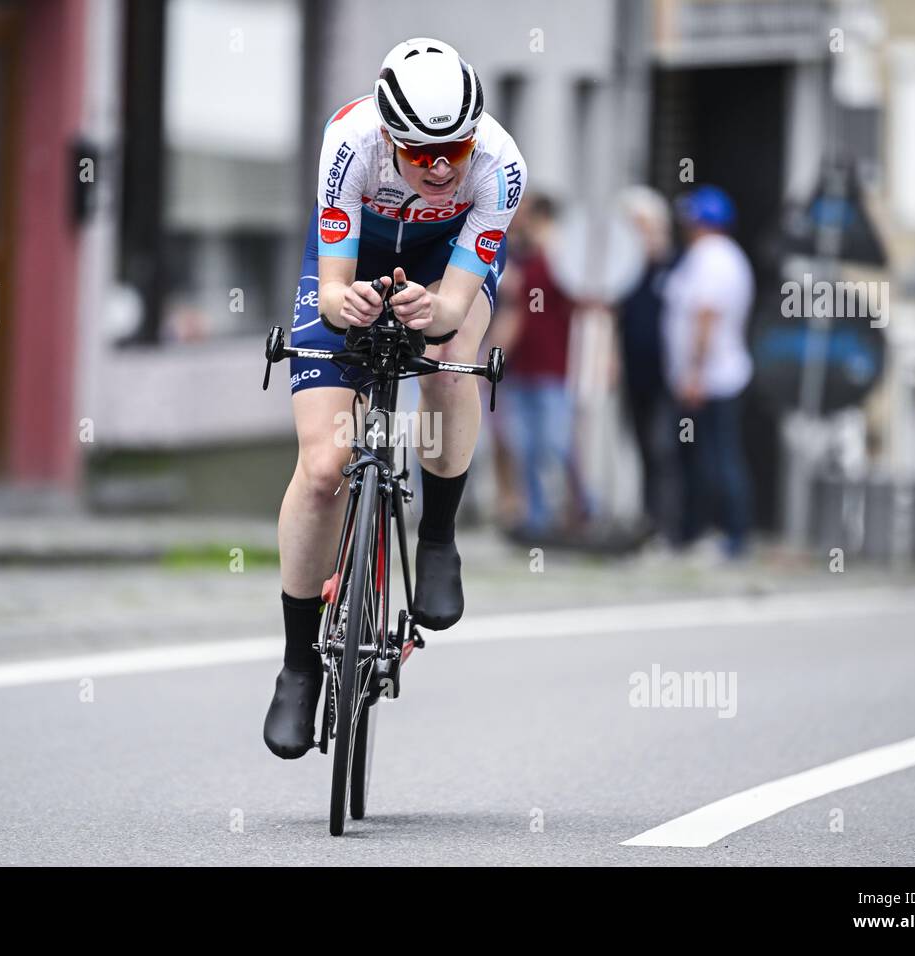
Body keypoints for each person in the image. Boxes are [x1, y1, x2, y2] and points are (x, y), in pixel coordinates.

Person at [265, 38, 527, 758]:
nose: (442, 168)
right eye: (421, 155)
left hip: (445, 267)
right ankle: (297, 666)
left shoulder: (502, 166)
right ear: (389, 138)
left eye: (456, 150)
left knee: (449, 361)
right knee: (324, 467)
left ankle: (437, 537)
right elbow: (336, 281)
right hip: (356, 259)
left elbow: (452, 308)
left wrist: (434, 311)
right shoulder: (349, 142)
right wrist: (351, 304)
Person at [489, 194, 591, 539]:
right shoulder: (524, 260)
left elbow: (585, 305)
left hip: (554, 368)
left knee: (558, 442)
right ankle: (536, 519)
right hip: (523, 369)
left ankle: (584, 508)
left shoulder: (560, 259)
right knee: (526, 447)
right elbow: (514, 314)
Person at [662, 185, 754, 558]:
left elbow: (706, 318)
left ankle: (730, 535)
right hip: (708, 378)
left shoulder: (714, 258)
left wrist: (695, 374)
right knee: (703, 457)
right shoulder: (711, 256)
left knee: (717, 460)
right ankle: (699, 532)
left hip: (714, 380)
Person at [613, 187, 679, 542]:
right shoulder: (627, 271)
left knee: (665, 447)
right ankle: (649, 520)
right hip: (635, 372)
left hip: (669, 374)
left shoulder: (675, 266)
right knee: (642, 446)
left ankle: (670, 526)